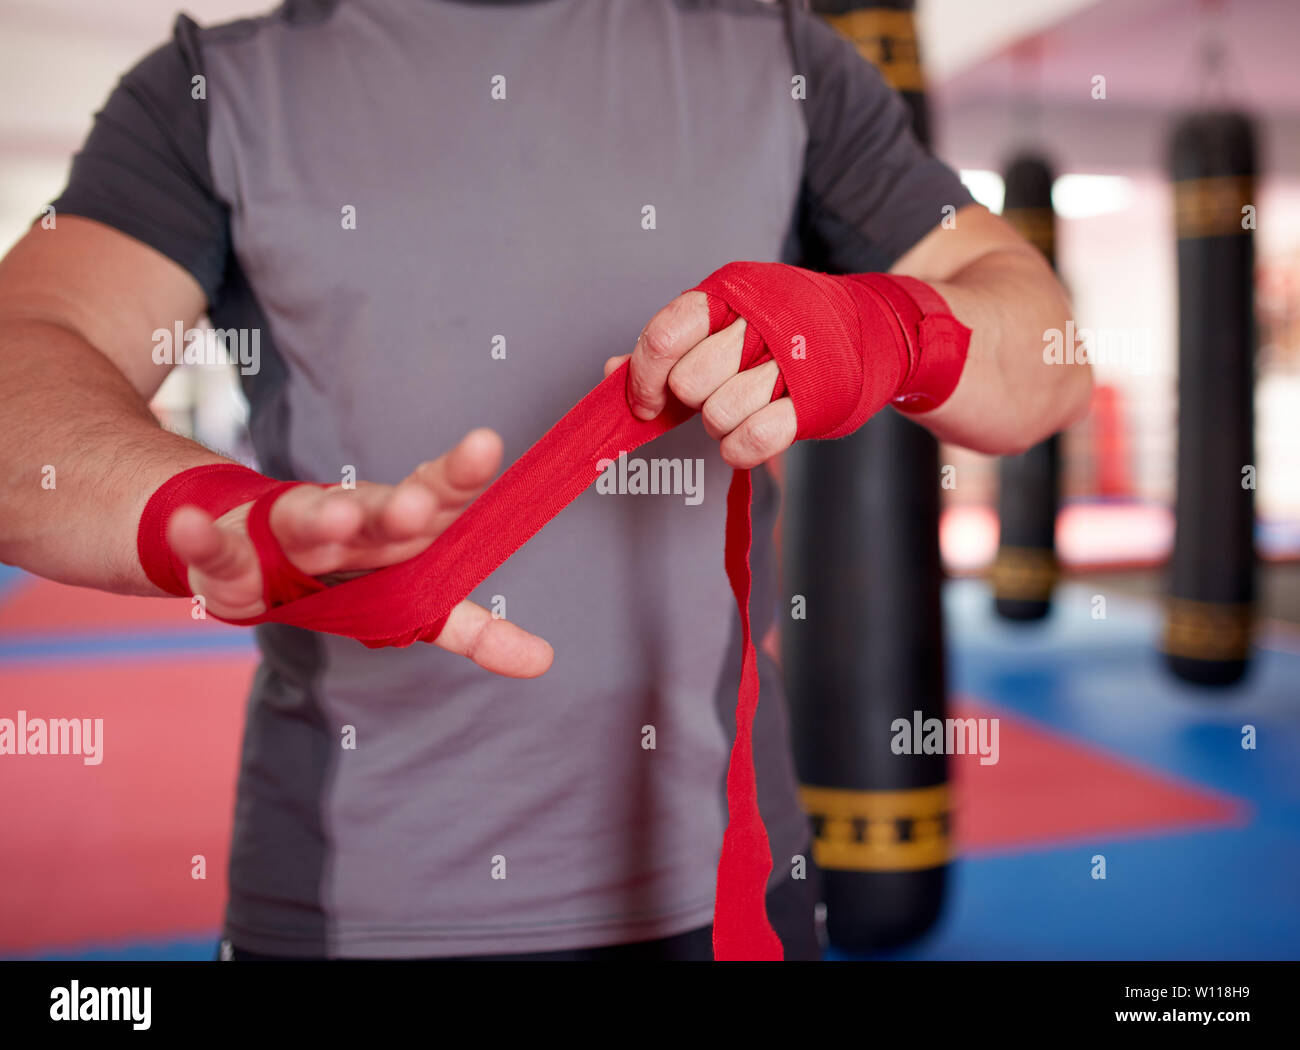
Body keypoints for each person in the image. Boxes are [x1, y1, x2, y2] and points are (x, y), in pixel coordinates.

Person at [0, 0, 1089, 961]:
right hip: (353, 906)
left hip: (727, 888)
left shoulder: (780, 54)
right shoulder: (207, 87)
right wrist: (207, 509)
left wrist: (875, 330)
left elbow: (1045, 363)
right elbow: (27, 348)